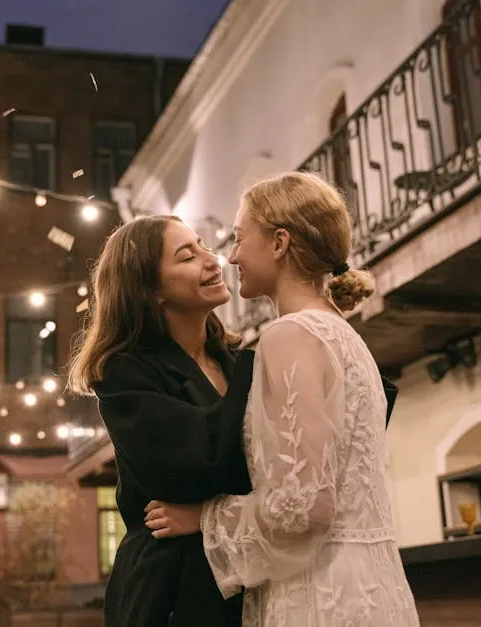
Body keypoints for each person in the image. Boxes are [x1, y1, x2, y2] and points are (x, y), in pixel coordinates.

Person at [144, 172, 420, 626]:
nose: (231, 257)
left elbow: (305, 503)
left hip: (319, 592)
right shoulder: (344, 336)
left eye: (238, 238)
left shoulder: (289, 336)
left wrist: (205, 518)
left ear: (279, 243)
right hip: (370, 581)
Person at [67, 215, 256, 627]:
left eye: (205, 246)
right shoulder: (122, 373)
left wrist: (205, 514)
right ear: (151, 290)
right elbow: (196, 462)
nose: (213, 261)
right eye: (188, 256)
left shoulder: (237, 362)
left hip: (250, 576)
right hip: (174, 589)